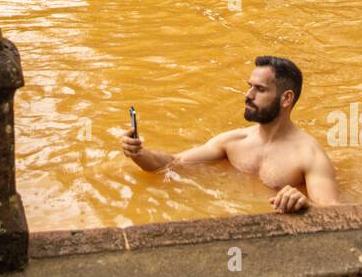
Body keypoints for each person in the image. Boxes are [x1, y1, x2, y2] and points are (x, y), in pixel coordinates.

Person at [121, 56, 339, 213]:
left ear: (286, 99)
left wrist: (305, 204)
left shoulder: (309, 156)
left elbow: (334, 213)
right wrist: (139, 154)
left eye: (260, 89)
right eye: (249, 87)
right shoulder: (234, 142)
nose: (248, 95)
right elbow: (173, 163)